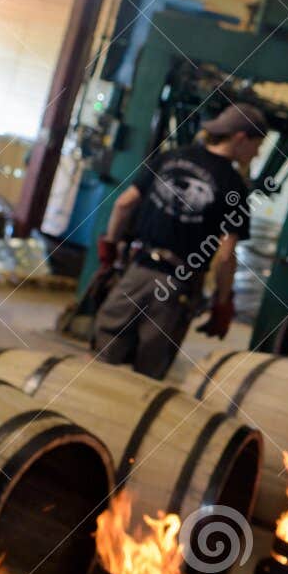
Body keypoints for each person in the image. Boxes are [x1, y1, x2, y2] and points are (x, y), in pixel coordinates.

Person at [91, 103, 266, 378]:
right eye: (257, 146)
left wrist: (110, 247)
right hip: (177, 287)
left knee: (104, 355)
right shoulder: (234, 186)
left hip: (138, 270)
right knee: (148, 370)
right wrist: (223, 301)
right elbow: (225, 255)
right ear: (240, 138)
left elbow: (123, 205)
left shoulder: (170, 158)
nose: (257, 154)